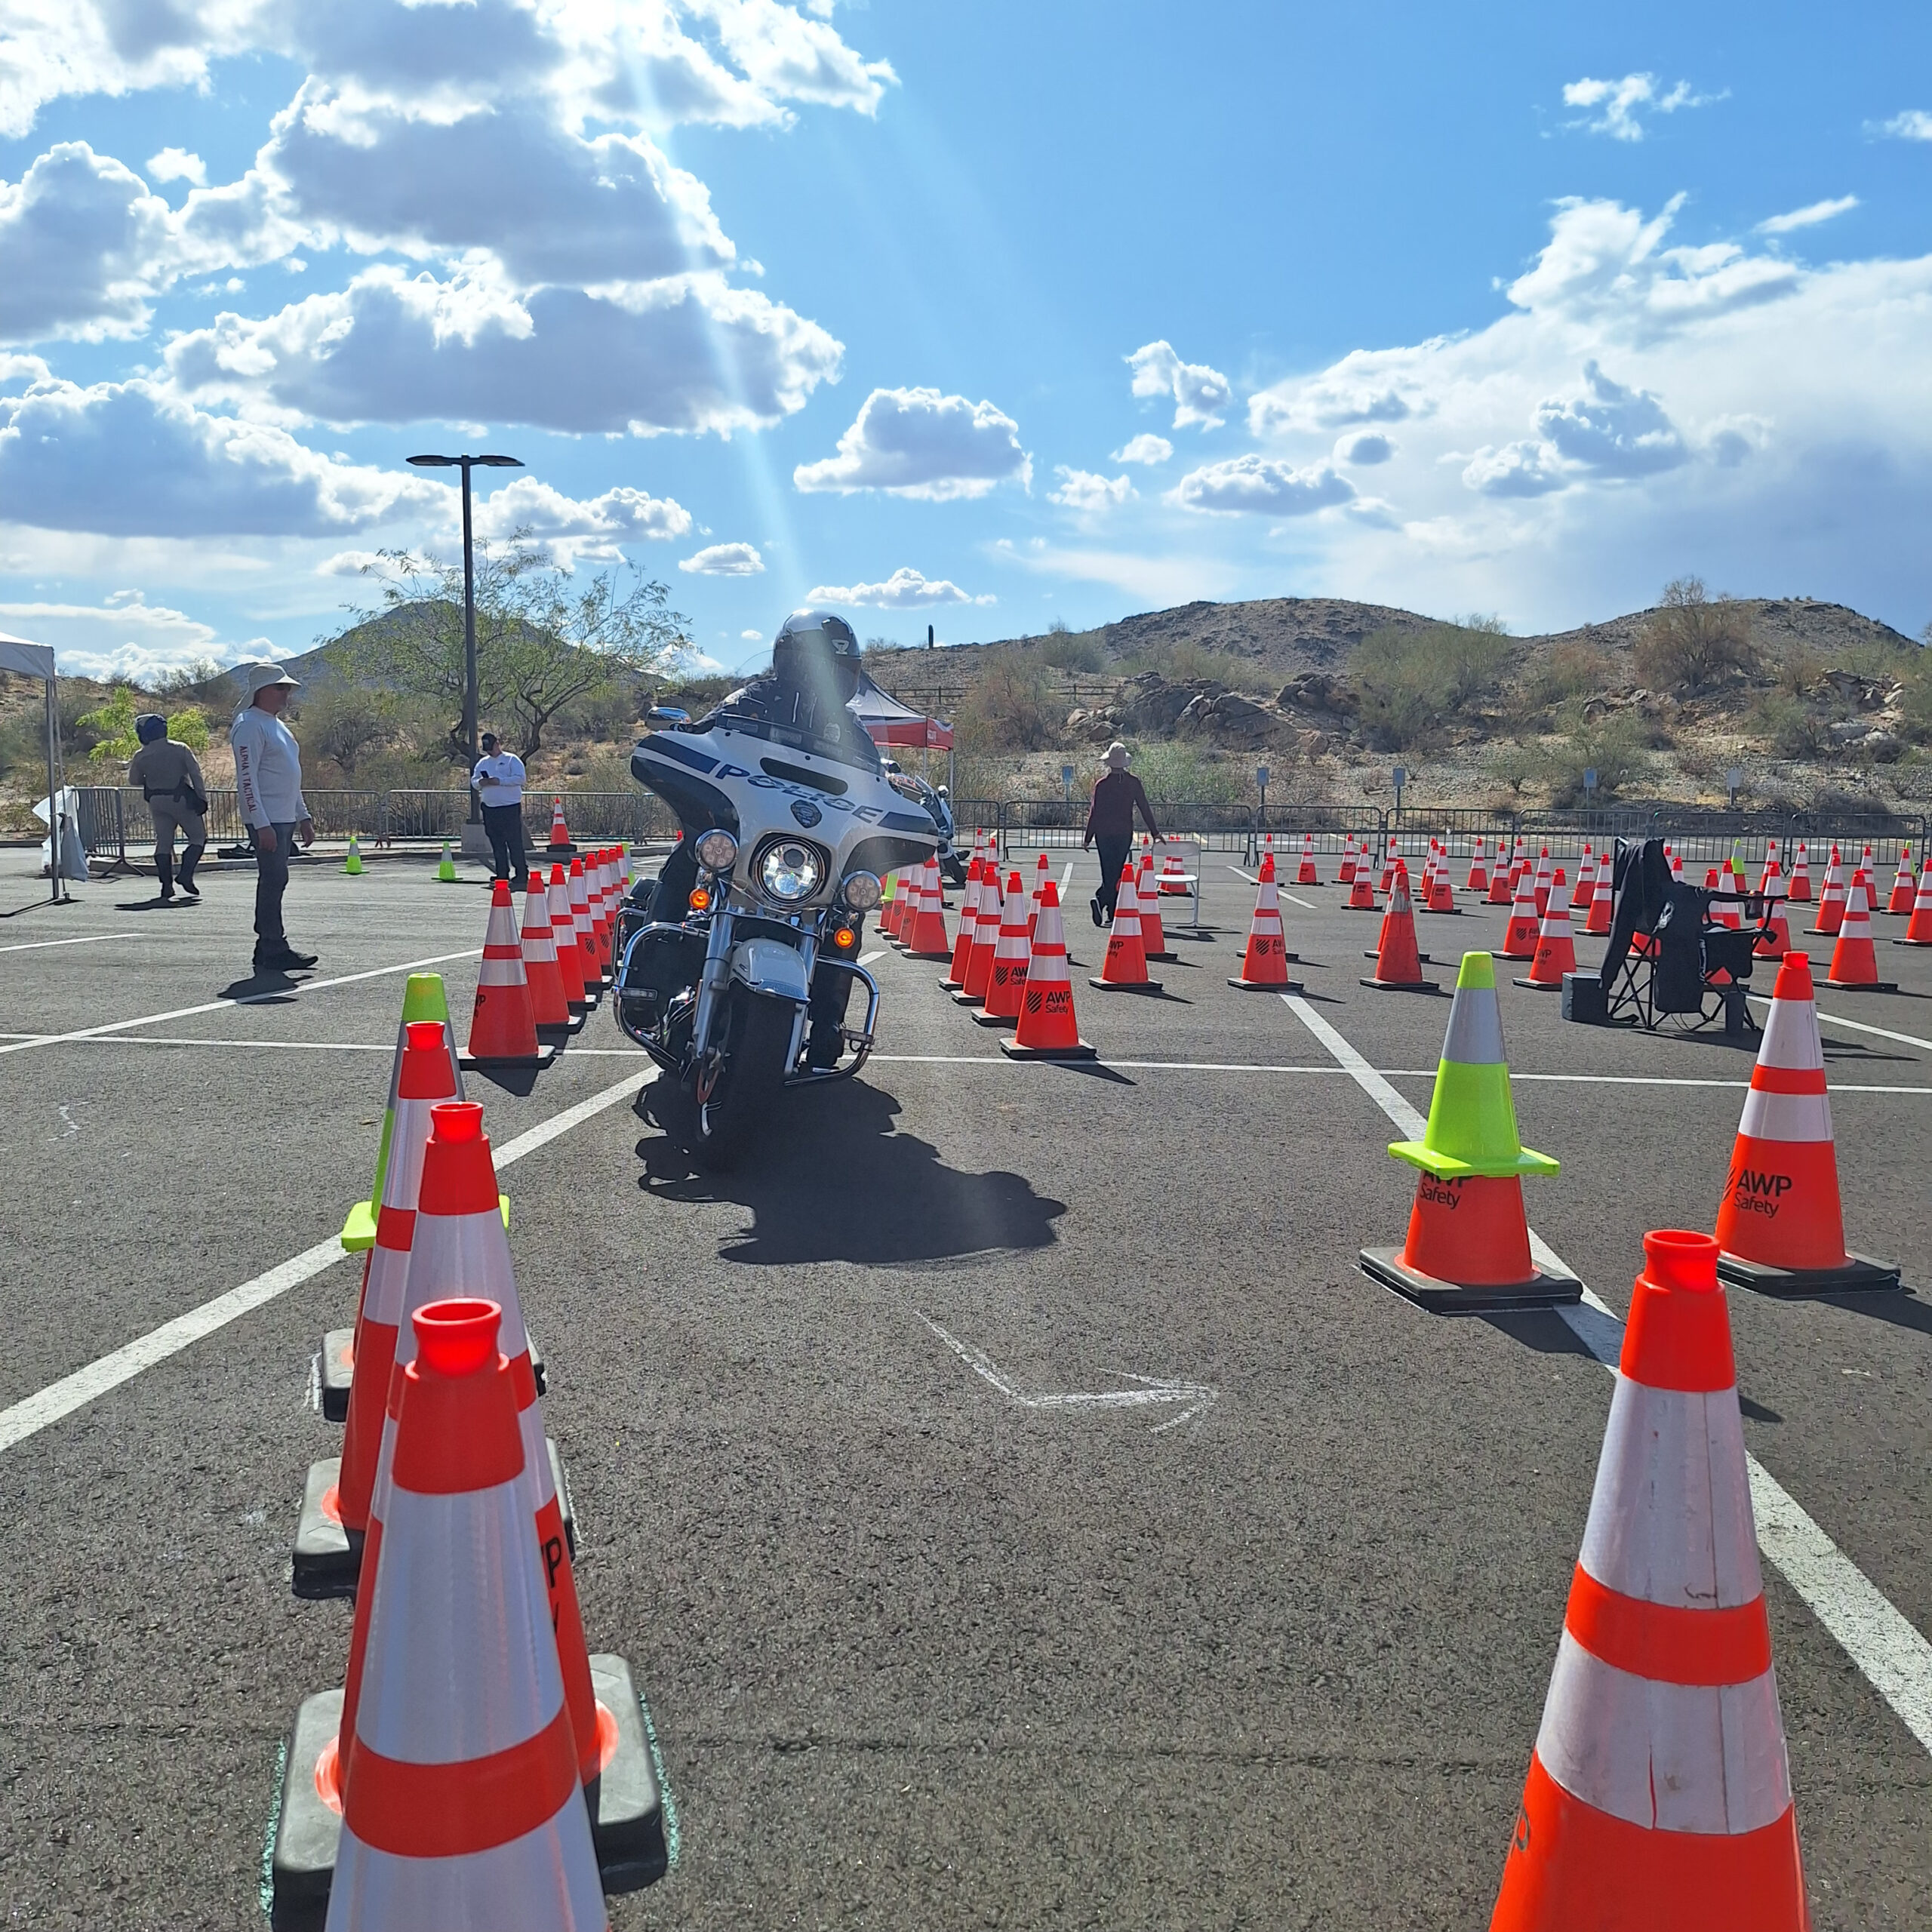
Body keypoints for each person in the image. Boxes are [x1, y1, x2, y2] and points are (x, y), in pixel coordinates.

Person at [645, 609, 878, 1067]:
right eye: (816, 667)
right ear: (788, 660)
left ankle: (828, 1021)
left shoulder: (854, 734)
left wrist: (910, 796)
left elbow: (877, 784)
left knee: (849, 910)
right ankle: (649, 982)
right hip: (747, 839)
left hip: (811, 855)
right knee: (688, 856)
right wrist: (682, 737)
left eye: (838, 671)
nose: (825, 679)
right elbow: (704, 739)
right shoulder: (748, 702)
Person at [231, 663, 316, 974]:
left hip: (283, 818)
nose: (286, 694)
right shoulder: (249, 725)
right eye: (280, 688)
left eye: (287, 688)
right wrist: (261, 823)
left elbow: (291, 777)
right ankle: (273, 946)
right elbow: (247, 780)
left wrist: (302, 816)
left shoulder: (278, 726)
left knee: (276, 880)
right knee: (273, 880)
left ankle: (267, 945)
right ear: (261, 691)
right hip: (267, 820)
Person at [126, 712, 208, 903]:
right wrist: (202, 798)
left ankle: (166, 885)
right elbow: (196, 774)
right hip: (180, 799)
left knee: (164, 842)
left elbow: (134, 780)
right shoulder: (180, 749)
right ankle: (185, 874)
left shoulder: (141, 755)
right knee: (198, 837)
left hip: (156, 801)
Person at [1082, 741, 1161, 925]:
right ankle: (1108, 908)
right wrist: (1155, 832)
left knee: (1107, 871)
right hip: (1123, 833)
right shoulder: (1133, 783)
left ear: (1109, 763)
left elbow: (1095, 813)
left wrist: (1088, 838)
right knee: (1117, 872)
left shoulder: (1102, 785)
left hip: (1103, 834)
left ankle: (1104, 902)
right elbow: (1144, 808)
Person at [470, 731, 529, 889]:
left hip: (509, 808)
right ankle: (502, 873)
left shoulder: (512, 759)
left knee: (514, 842)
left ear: (498, 744)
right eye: (487, 749)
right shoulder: (482, 763)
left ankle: (521, 874)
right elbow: (474, 781)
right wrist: (481, 782)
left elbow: (520, 778)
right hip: (490, 809)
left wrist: (500, 781)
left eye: (492, 747)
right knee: (497, 843)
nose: (490, 751)